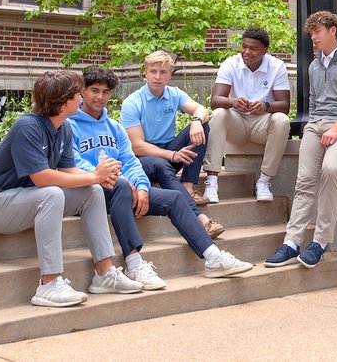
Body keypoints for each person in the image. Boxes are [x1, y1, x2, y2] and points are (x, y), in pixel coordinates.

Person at [69, 66, 253, 288]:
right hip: (93, 192)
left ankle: (213, 257)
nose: (100, 97)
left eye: (105, 92)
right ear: (82, 92)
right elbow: (74, 163)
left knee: (174, 198)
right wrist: (124, 182)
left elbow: (131, 161)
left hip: (124, 189)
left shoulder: (114, 127)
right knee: (122, 187)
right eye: (94, 90)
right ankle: (134, 263)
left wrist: (143, 187)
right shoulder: (70, 125)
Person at [0, 70, 143, 307]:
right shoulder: (28, 127)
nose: (82, 98)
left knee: (93, 191)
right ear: (66, 101)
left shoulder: (64, 127)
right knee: (52, 193)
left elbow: (68, 170)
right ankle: (49, 283)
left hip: (28, 201)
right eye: (79, 93)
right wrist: (94, 175)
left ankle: (104, 274)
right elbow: (42, 178)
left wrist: (98, 178)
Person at [265, 11, 337, 269]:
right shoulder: (313, 65)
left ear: (333, 30)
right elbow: (313, 100)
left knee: (331, 169)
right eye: (311, 33)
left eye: (317, 32)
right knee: (304, 181)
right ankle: (291, 243)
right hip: (316, 125)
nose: (313, 37)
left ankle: (320, 242)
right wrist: (313, 124)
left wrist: (336, 128)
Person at [121, 50, 225, 238]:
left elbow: (201, 110)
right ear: (145, 73)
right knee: (161, 164)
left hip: (170, 150)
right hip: (143, 158)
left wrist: (195, 121)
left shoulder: (174, 94)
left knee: (203, 125)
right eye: (153, 71)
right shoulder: (133, 102)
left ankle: (187, 188)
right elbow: (136, 145)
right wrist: (171, 156)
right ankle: (200, 220)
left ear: (170, 75)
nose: (158, 77)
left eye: (163, 72)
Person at [206, 27, 292, 202]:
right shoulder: (230, 64)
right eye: (244, 47)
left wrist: (265, 106)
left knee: (281, 120)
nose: (246, 52)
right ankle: (212, 182)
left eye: (253, 49)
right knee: (219, 114)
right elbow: (215, 101)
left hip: (261, 124)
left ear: (264, 50)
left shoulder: (276, 66)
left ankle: (264, 181)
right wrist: (232, 102)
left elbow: (285, 105)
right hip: (236, 124)